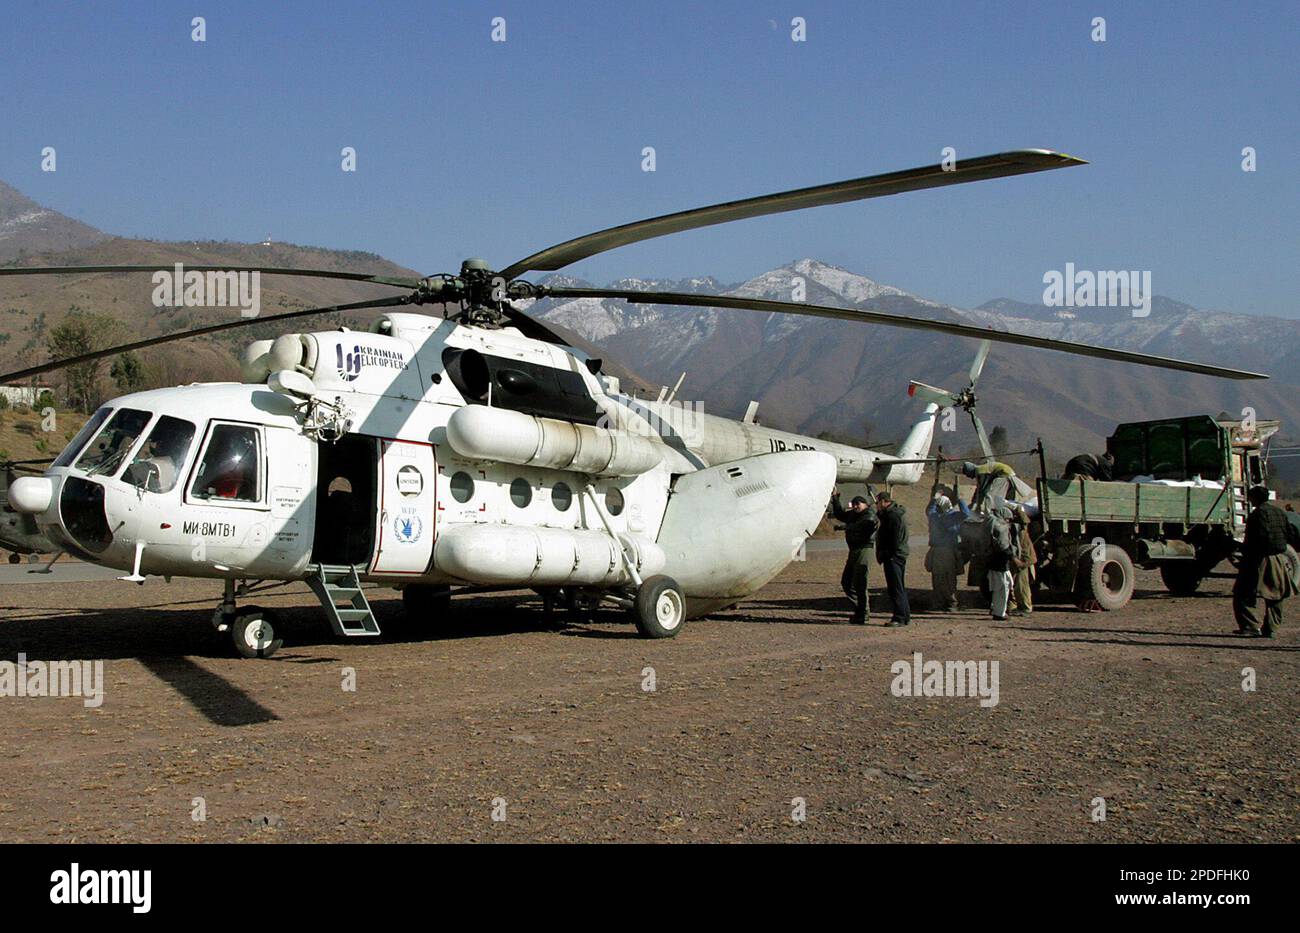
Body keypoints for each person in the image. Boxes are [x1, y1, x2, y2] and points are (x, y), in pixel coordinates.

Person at [1232, 486, 1300, 637]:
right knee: (1276, 596)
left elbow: (1254, 539)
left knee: (1242, 593)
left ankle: (1250, 626)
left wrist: (1242, 551)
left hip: (1258, 560)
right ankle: (1271, 628)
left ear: (1254, 498)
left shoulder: (1257, 515)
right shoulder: (1280, 512)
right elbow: (1290, 534)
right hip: (1278, 559)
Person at [829, 490, 877, 625]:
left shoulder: (869, 515)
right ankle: (859, 609)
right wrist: (835, 498)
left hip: (864, 549)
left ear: (866, 504)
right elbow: (840, 514)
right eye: (854, 504)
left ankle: (864, 613)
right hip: (854, 550)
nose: (856, 506)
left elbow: (862, 524)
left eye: (858, 504)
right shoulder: (854, 514)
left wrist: (844, 527)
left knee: (860, 582)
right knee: (847, 582)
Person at [926, 493, 970, 611]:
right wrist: (961, 500)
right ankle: (951, 602)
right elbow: (967, 514)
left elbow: (929, 510)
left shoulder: (934, 517)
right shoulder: (954, 517)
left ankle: (940, 602)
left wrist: (934, 500)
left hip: (937, 551)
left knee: (938, 579)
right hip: (950, 551)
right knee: (949, 578)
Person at [874, 490, 910, 626]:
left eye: (878, 503)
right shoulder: (892, 514)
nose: (877, 506)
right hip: (897, 554)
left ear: (884, 502)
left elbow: (893, 538)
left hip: (893, 556)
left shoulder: (893, 516)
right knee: (899, 586)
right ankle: (904, 615)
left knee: (895, 587)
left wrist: (887, 554)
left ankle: (899, 617)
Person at [986, 505, 1018, 621]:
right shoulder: (1001, 528)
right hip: (1000, 565)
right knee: (1002, 589)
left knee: (1000, 588)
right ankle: (1000, 613)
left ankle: (998, 610)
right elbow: (1004, 547)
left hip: (995, 563)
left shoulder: (993, 525)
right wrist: (1014, 558)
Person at [1009, 504, 1037, 616]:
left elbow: (1025, 520)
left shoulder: (1021, 529)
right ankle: (1016, 606)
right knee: (1017, 584)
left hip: (1024, 560)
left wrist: (1017, 509)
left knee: (1022, 585)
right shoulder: (1016, 530)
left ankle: (1025, 607)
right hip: (1020, 559)